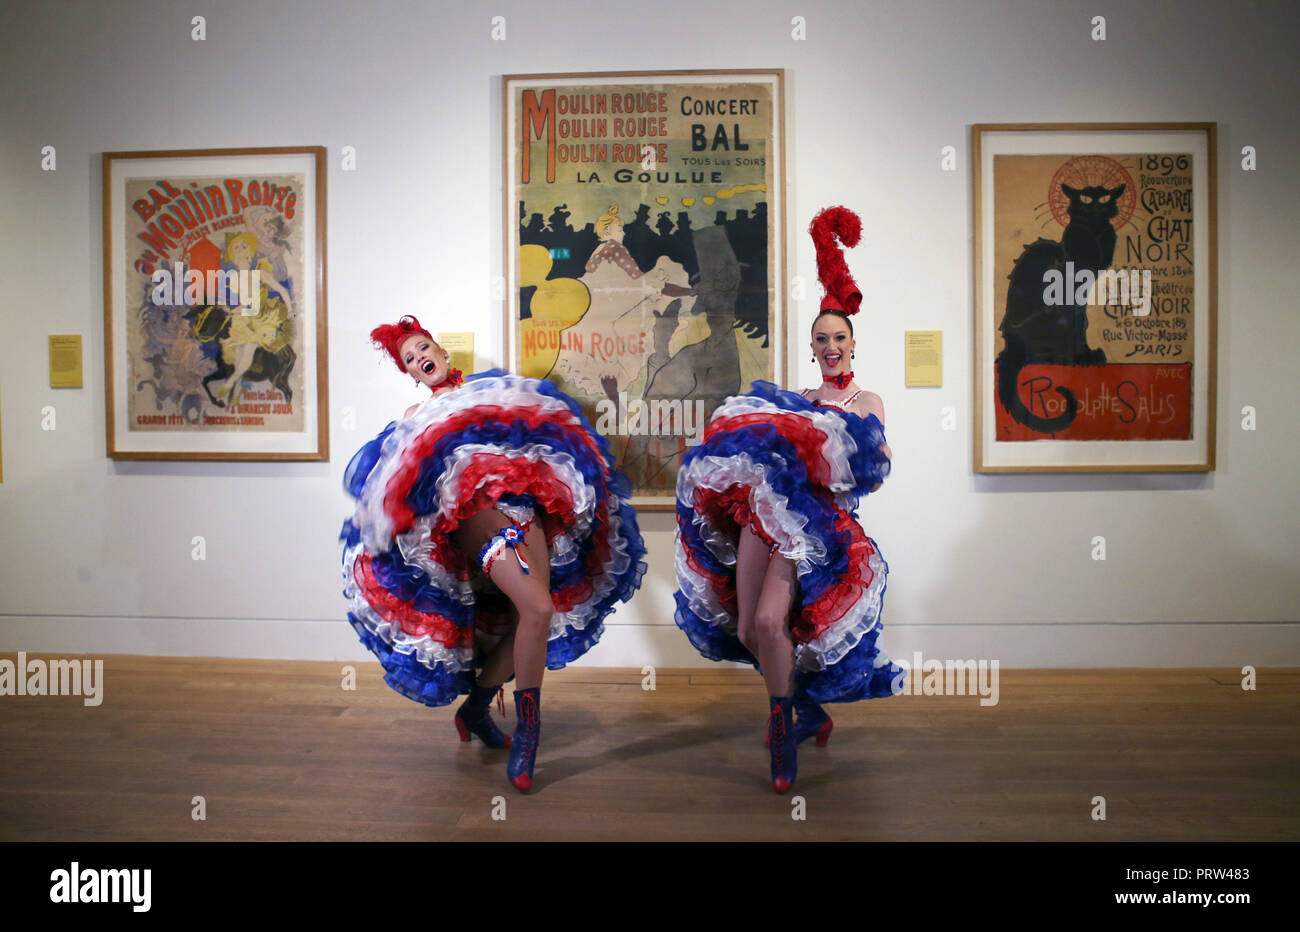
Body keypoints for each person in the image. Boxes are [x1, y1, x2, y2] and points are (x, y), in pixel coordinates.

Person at [341, 315, 646, 792]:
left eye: (424, 348)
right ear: (413, 374)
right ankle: (529, 734)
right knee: (539, 605)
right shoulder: (415, 419)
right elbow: (403, 486)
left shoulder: (496, 393)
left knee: (538, 618)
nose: (421, 358)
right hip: (474, 517)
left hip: (527, 512)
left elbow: (541, 442)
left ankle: (477, 707)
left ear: (441, 351)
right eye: (409, 359)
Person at [673, 206, 904, 793]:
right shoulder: (795, 398)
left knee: (775, 619)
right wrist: (706, 450)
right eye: (821, 339)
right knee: (751, 627)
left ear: (853, 344)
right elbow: (755, 451)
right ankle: (804, 710)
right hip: (763, 519)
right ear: (812, 348)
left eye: (839, 338)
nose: (831, 347)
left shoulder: (866, 402)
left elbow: (875, 465)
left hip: (817, 531)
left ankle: (781, 732)